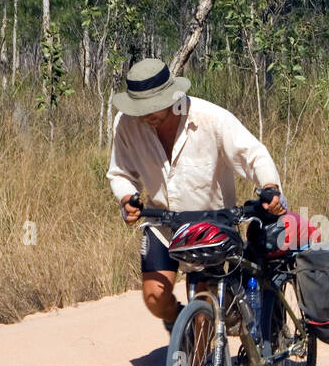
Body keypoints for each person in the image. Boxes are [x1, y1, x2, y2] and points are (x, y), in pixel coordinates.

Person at [108, 57, 285, 331]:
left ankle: (196, 363)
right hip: (163, 225)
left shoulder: (211, 118)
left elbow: (254, 155)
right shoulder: (127, 124)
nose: (147, 114)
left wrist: (270, 186)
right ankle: (181, 327)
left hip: (210, 226)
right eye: (141, 108)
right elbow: (120, 173)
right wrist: (127, 198)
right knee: (154, 298)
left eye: (154, 106)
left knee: (205, 310)